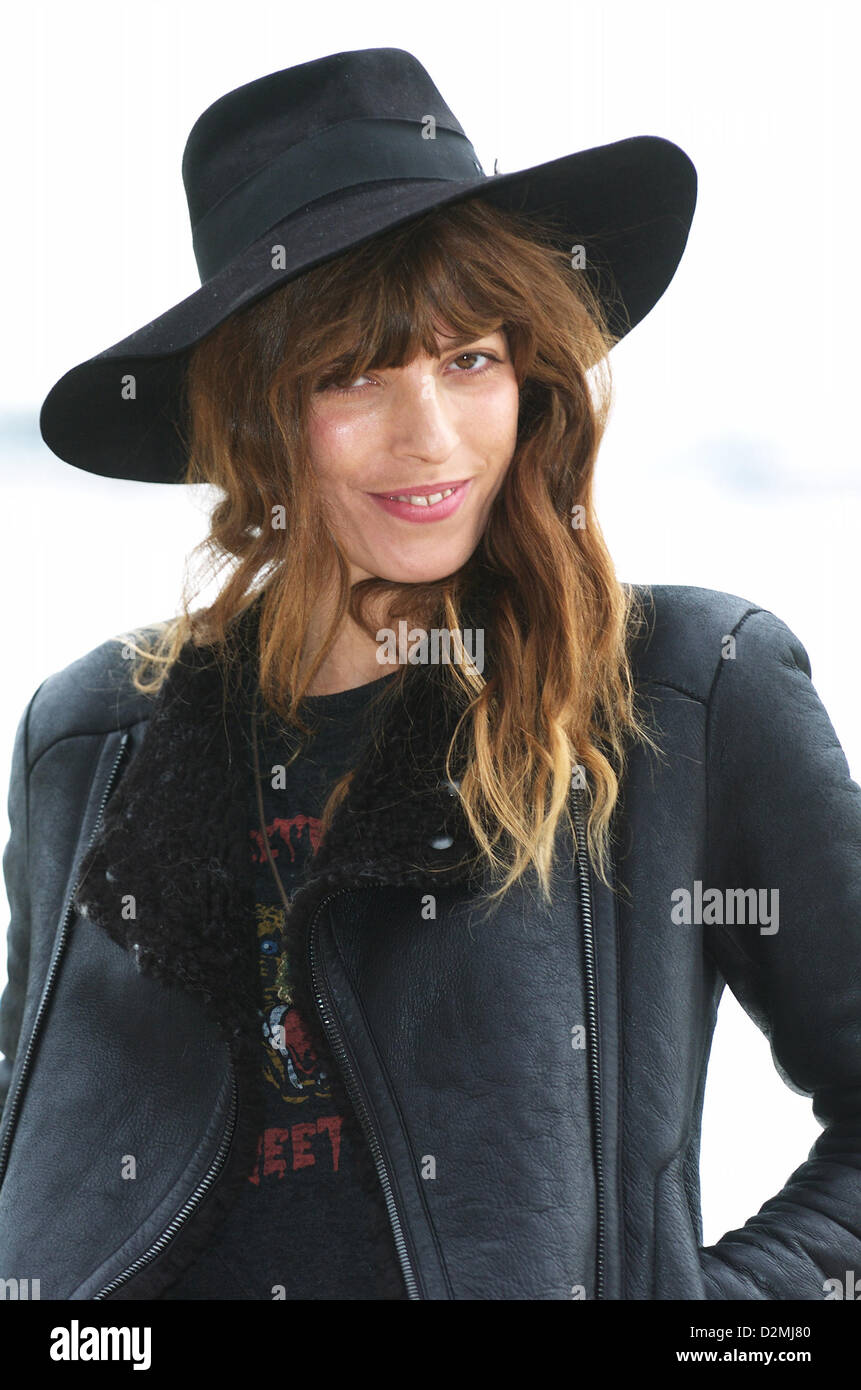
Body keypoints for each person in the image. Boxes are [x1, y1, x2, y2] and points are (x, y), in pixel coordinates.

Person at [1, 46, 860, 1303]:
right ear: (256, 417)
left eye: (470, 360)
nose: (432, 438)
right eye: (351, 373)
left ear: (532, 372)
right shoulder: (91, 735)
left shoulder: (687, 688)